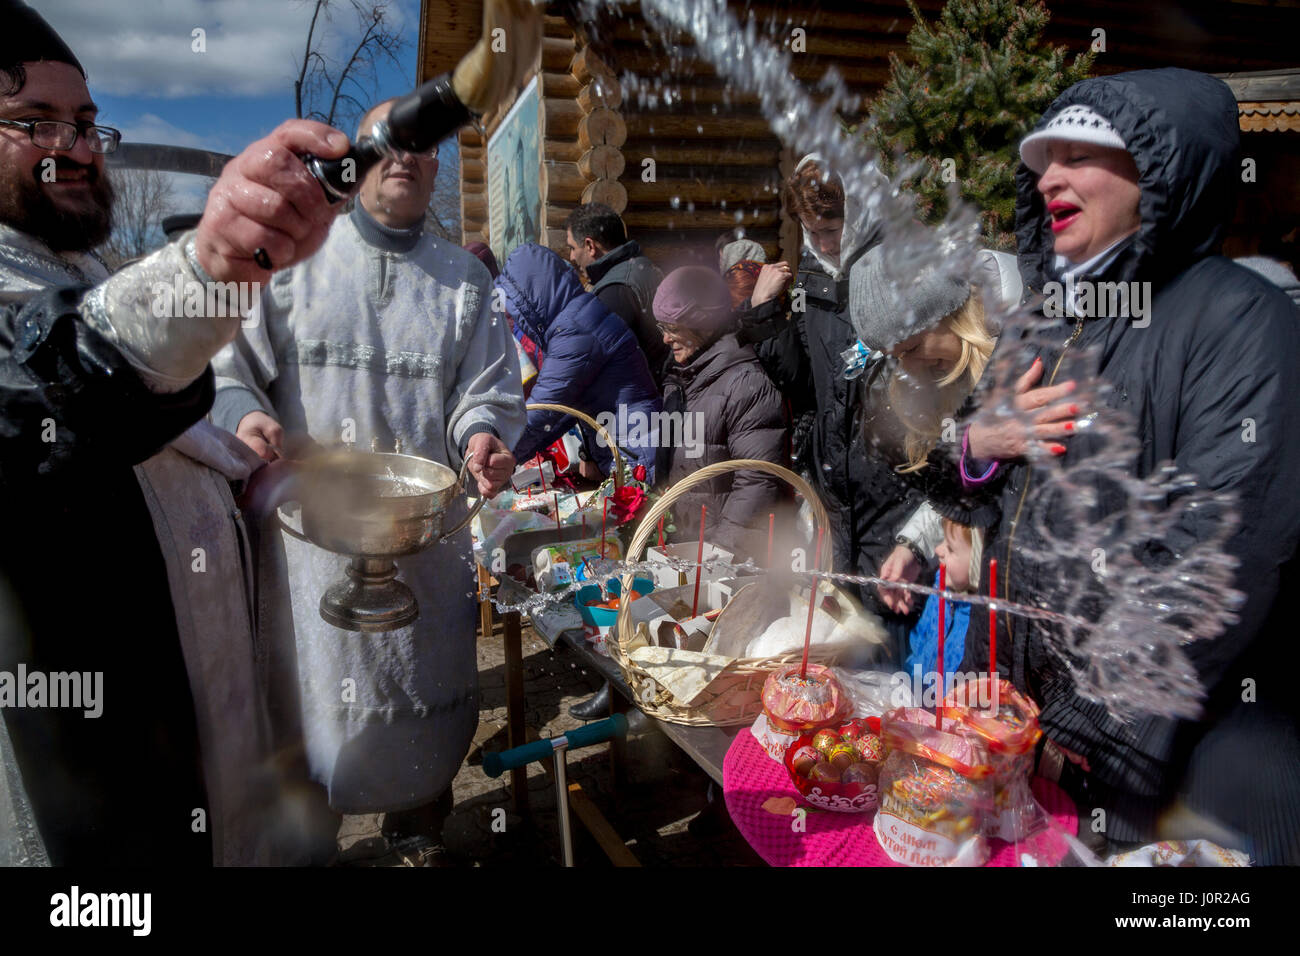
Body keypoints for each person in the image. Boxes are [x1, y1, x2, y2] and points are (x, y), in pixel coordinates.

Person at [0, 0, 349, 865]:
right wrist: (212, 266)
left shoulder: (80, 268)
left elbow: (161, 421)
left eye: (84, 121)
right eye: (33, 122)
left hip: (209, 762)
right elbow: (60, 395)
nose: (75, 147)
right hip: (91, 794)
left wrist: (241, 458)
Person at [964, 68, 1300, 864]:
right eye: (1045, 158)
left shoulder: (1237, 317)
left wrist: (1085, 722)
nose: (1050, 175)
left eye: (1081, 154)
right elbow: (965, 471)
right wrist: (981, 444)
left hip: (1175, 754)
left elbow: (1225, 546)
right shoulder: (1047, 315)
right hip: (1031, 716)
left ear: (1161, 169)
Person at [212, 98, 525, 864]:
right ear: (357, 159)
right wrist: (246, 415)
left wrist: (482, 435)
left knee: (416, 719)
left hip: (426, 546)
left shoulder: (463, 282)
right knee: (312, 734)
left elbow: (486, 390)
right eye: (391, 143)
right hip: (310, 551)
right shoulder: (293, 264)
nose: (408, 158)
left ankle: (420, 835)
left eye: (426, 146)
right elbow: (228, 371)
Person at [739, 155, 901, 611]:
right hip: (833, 478)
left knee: (889, 614)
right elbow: (805, 380)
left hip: (888, 479)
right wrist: (764, 314)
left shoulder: (894, 271)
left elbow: (892, 369)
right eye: (813, 232)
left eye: (833, 229)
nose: (825, 243)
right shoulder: (813, 276)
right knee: (838, 613)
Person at [653, 266, 787, 561]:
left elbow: (757, 480)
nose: (665, 339)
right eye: (662, 328)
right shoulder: (681, 378)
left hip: (722, 559)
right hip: (687, 548)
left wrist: (720, 553)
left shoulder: (745, 382)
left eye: (673, 328)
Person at [498, 242, 661, 482]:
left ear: (528, 299)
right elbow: (560, 414)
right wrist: (511, 458)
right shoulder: (573, 320)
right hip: (630, 448)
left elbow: (546, 408)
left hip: (639, 453)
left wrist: (499, 456)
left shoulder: (576, 329)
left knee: (647, 519)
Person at [565, 202, 667, 386]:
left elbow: (598, 361)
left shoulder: (615, 290)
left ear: (589, 245)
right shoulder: (641, 267)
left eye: (572, 247)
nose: (571, 257)